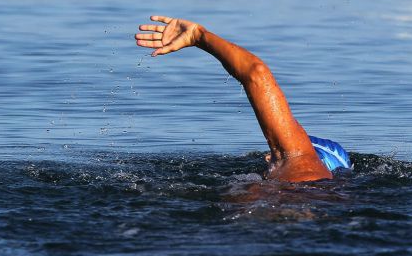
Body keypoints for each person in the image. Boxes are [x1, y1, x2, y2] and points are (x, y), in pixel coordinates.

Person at [135, 15, 351, 182]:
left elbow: (256, 73)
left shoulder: (299, 157)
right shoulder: (332, 192)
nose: (267, 157)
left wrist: (199, 36)